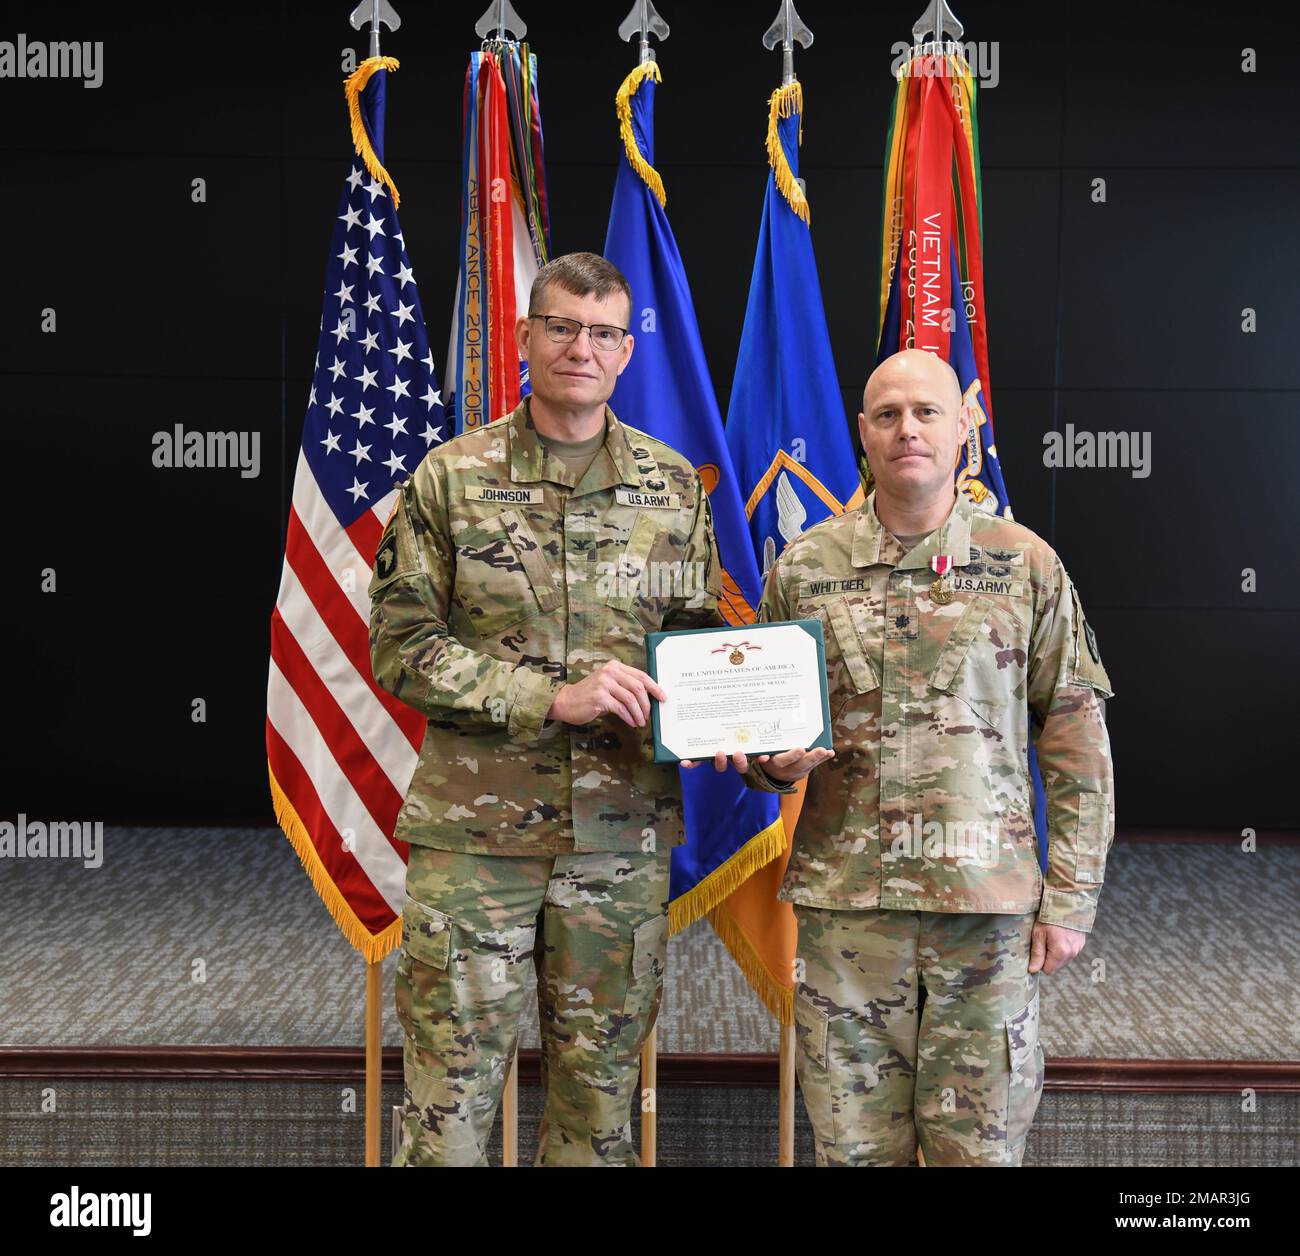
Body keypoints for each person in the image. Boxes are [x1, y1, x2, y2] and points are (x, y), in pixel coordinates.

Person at [694, 348, 1115, 1166]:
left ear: (964, 428)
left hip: (983, 912)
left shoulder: (1025, 564)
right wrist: (766, 767)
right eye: (887, 415)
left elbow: (1076, 741)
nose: (907, 429)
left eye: (926, 412)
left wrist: (1072, 898)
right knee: (852, 1150)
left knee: (978, 1150)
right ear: (863, 433)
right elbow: (763, 736)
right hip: (849, 915)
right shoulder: (805, 568)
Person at [369, 251, 723, 1166]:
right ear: (525, 337)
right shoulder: (449, 478)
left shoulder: (674, 485)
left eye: (604, 332)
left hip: (618, 840)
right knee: (447, 1113)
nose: (582, 347)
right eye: (561, 326)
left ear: (625, 350)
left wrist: (743, 730)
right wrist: (548, 697)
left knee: (598, 1117)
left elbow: (694, 647)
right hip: (476, 842)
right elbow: (400, 649)